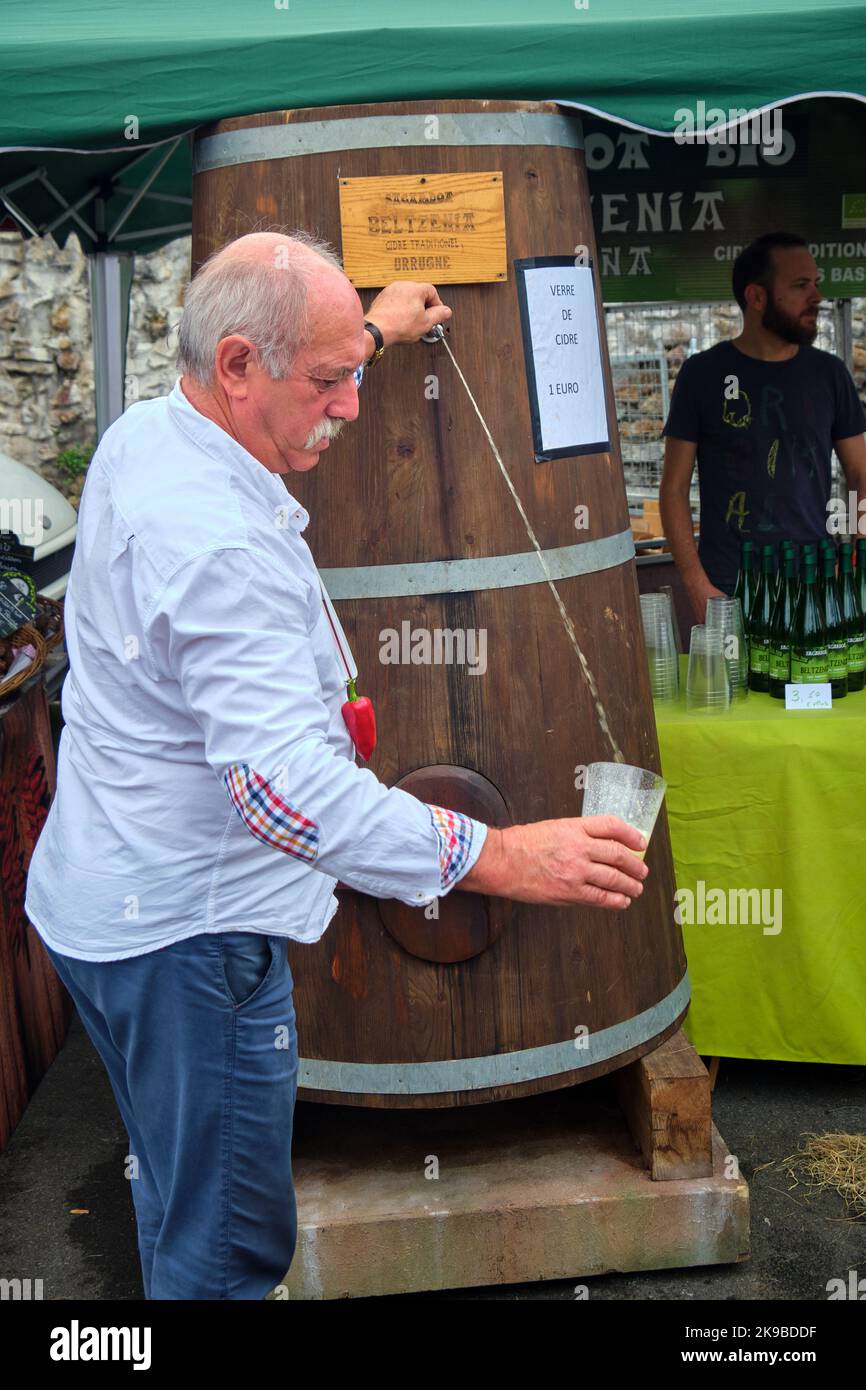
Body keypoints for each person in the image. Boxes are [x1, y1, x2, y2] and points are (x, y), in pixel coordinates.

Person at [24, 231, 647, 1301]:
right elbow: (279, 790)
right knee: (227, 1254)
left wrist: (371, 331)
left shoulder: (150, 428)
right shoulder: (213, 543)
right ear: (235, 365)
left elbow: (303, 356)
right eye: (329, 380)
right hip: (191, 942)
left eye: (351, 370)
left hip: (102, 905)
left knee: (178, 1194)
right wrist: (493, 855)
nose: (352, 405)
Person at [660, 231, 866, 620]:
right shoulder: (701, 375)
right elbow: (672, 490)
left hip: (815, 584)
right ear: (756, 297)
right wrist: (696, 584)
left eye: (816, 283)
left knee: (817, 684)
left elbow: (860, 472)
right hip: (727, 587)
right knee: (736, 684)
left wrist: (856, 552)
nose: (816, 297)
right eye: (801, 285)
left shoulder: (830, 374)